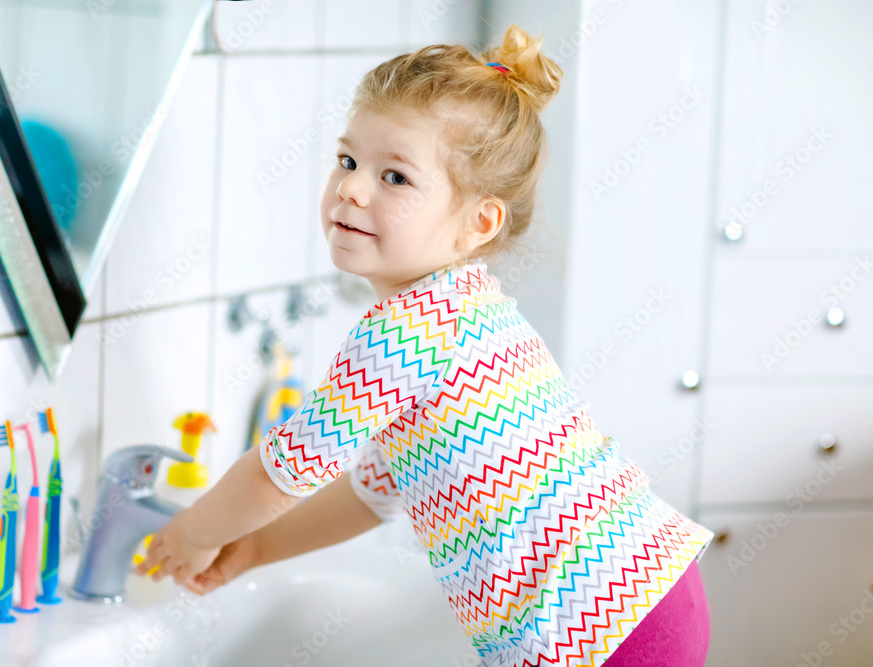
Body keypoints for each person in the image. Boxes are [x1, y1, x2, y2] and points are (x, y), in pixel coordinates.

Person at [134, 24, 714, 667]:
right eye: (348, 161)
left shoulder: (404, 331)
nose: (352, 188)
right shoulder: (463, 312)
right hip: (643, 593)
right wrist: (258, 548)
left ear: (478, 224)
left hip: (594, 626)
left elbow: (285, 469)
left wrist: (196, 531)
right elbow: (372, 491)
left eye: (396, 177)